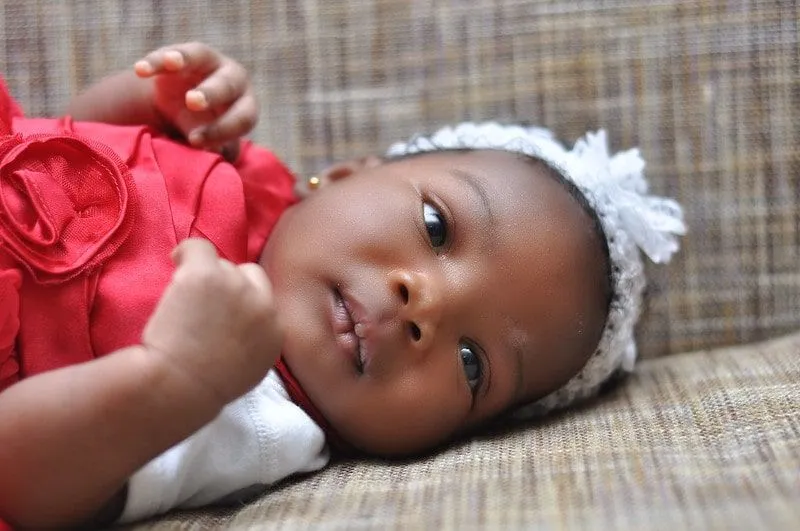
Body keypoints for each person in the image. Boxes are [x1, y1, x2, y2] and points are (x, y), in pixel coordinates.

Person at [0, 42, 685, 528]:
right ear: (349, 172)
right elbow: (54, 162)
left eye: (472, 364)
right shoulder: (238, 170)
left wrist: (172, 379)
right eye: (436, 226)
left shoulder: (255, 416)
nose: (427, 306)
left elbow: (23, 475)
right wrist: (145, 107)